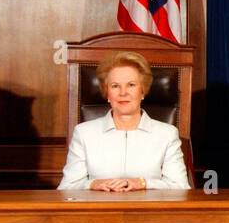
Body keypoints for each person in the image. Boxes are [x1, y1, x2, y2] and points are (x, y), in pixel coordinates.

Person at [58, 51, 190, 191]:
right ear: (107, 93)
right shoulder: (84, 133)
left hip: (149, 205)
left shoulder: (167, 134)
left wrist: (143, 183)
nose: (123, 93)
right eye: (115, 86)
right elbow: (66, 188)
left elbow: (181, 187)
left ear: (143, 91)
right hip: (99, 205)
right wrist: (92, 184)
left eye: (131, 85)